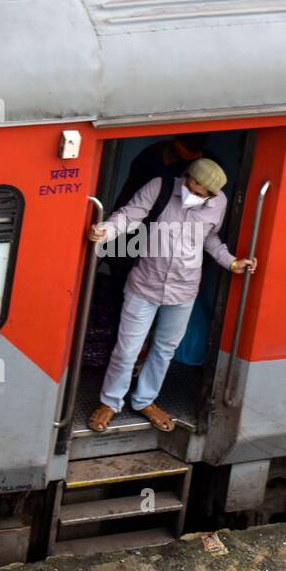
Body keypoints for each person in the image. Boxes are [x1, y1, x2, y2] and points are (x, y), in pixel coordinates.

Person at [86, 158, 255, 434]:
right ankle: (110, 402)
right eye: (194, 187)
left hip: (184, 290)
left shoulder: (218, 203)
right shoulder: (160, 187)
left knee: (164, 350)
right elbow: (130, 216)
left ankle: (145, 400)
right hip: (144, 284)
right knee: (127, 349)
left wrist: (231, 261)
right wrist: (105, 230)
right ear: (187, 177)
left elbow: (209, 239)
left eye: (203, 195)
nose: (196, 195)